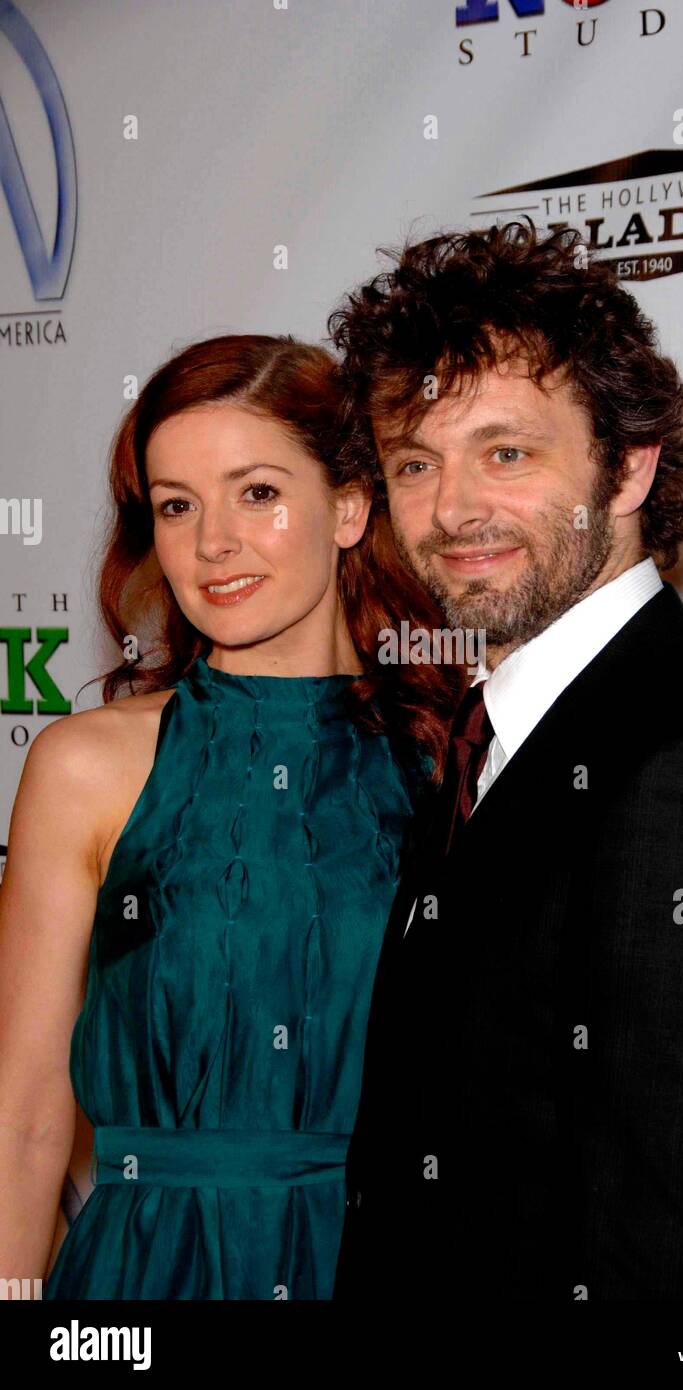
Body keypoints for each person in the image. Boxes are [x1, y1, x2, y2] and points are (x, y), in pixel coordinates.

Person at [328, 221, 683, 1299]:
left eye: (506, 453)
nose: (453, 507)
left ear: (627, 465)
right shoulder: (493, 735)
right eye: (415, 462)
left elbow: (665, 1256)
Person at [0, 335, 458, 1300]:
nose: (212, 543)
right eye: (177, 505)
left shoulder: (448, 762)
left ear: (347, 505)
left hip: (386, 1259)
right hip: (146, 1273)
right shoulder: (87, 767)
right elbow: (27, 1114)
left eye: (257, 493)